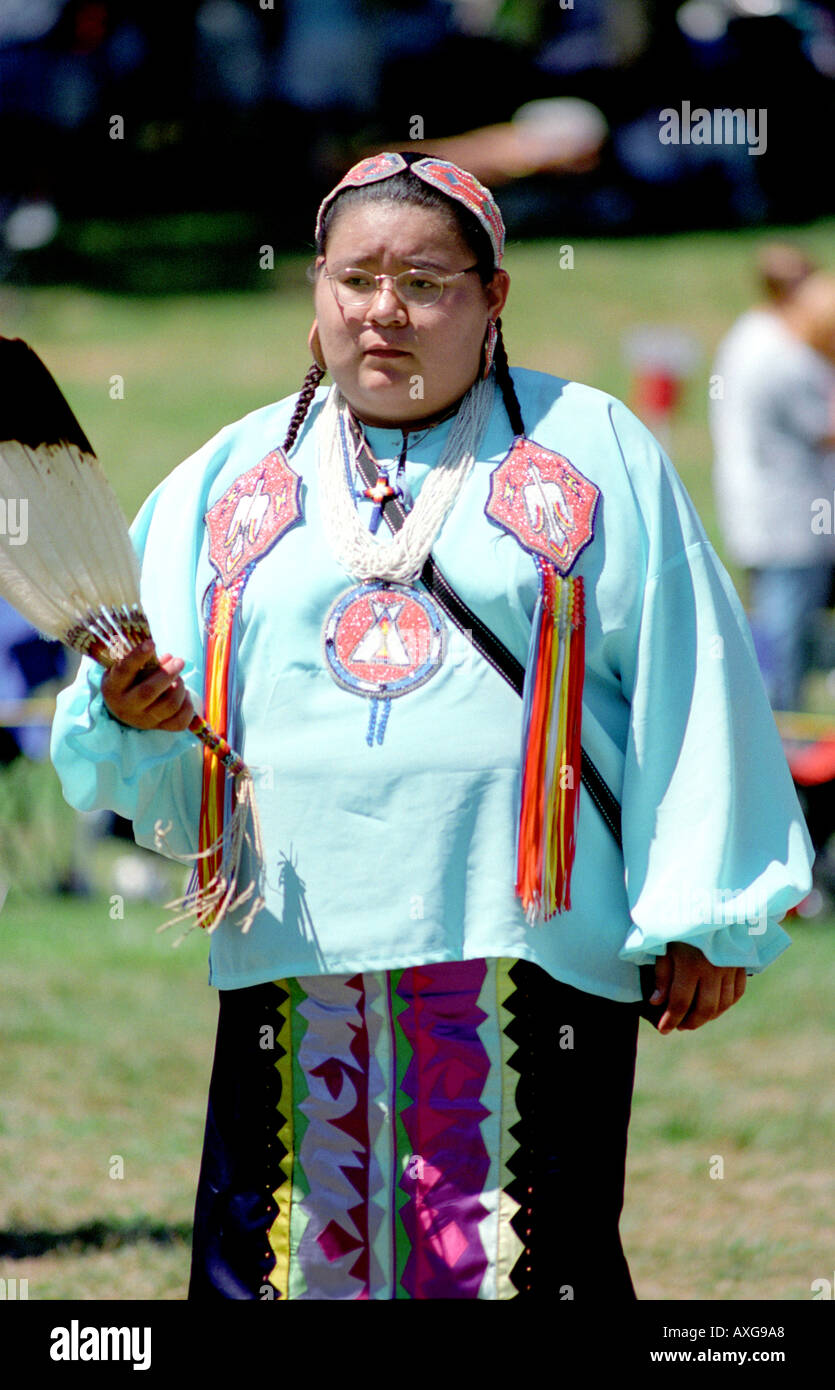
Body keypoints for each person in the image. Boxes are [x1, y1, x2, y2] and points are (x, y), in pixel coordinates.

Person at [51, 151, 813, 1302]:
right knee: (286, 1255)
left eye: (424, 280)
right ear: (316, 288)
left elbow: (688, 675)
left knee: (530, 1258)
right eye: (355, 278)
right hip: (298, 944)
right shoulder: (234, 472)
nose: (383, 311)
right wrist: (132, 706)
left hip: (531, 937)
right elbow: (130, 700)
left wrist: (705, 909)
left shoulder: (589, 449)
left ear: (493, 295)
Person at [710, 249, 835, 711]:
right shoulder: (780, 355)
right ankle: (784, 737)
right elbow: (823, 427)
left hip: (766, 506)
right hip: (788, 513)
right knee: (785, 638)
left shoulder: (750, 336)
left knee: (774, 626)